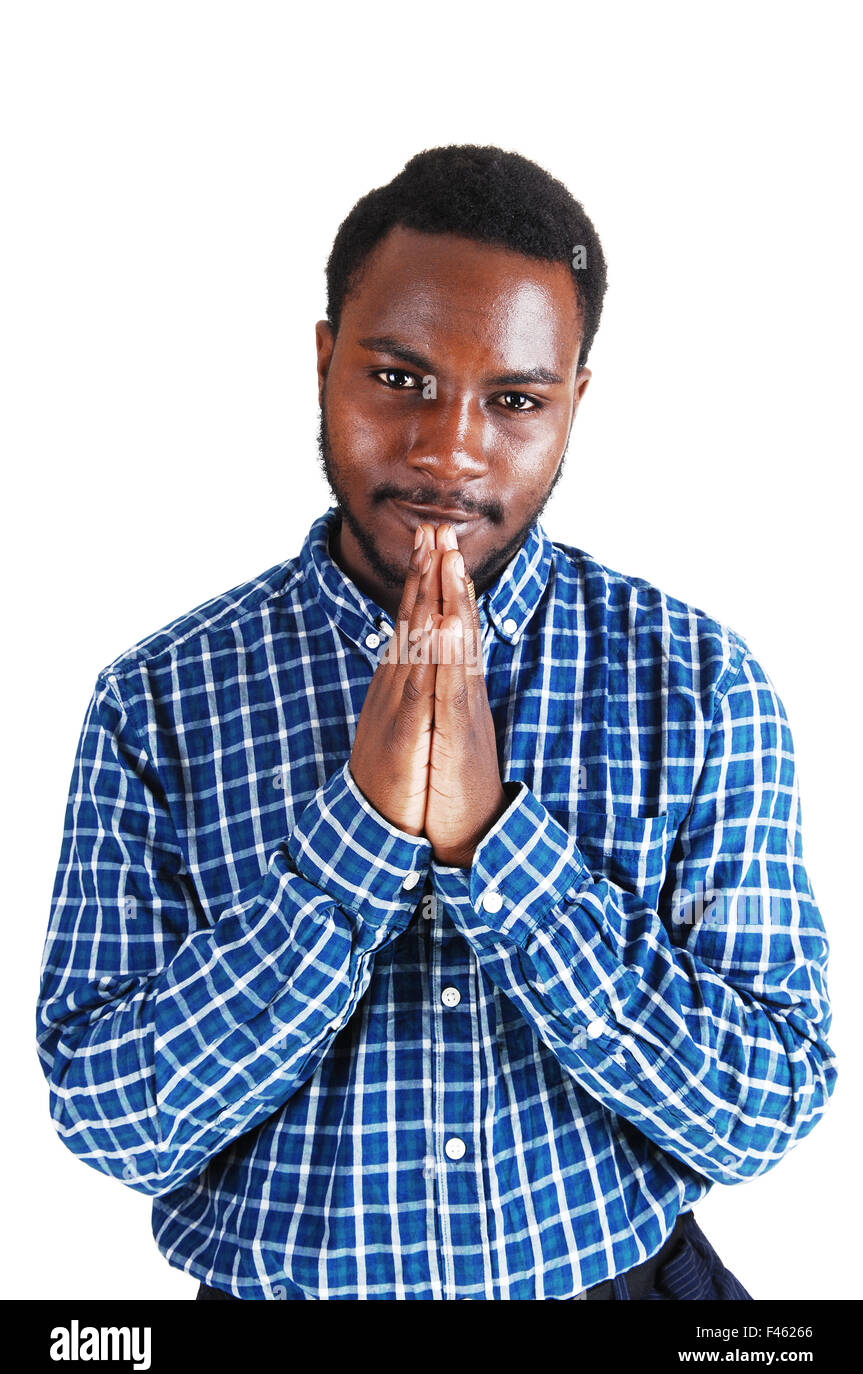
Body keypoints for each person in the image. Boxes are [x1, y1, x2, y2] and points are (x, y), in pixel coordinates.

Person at [36, 145, 837, 1300]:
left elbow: (762, 1105)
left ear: (572, 404)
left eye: (513, 399)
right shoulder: (156, 700)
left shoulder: (698, 684)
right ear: (323, 363)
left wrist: (491, 843)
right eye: (399, 378)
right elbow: (112, 1122)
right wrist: (355, 843)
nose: (448, 447)